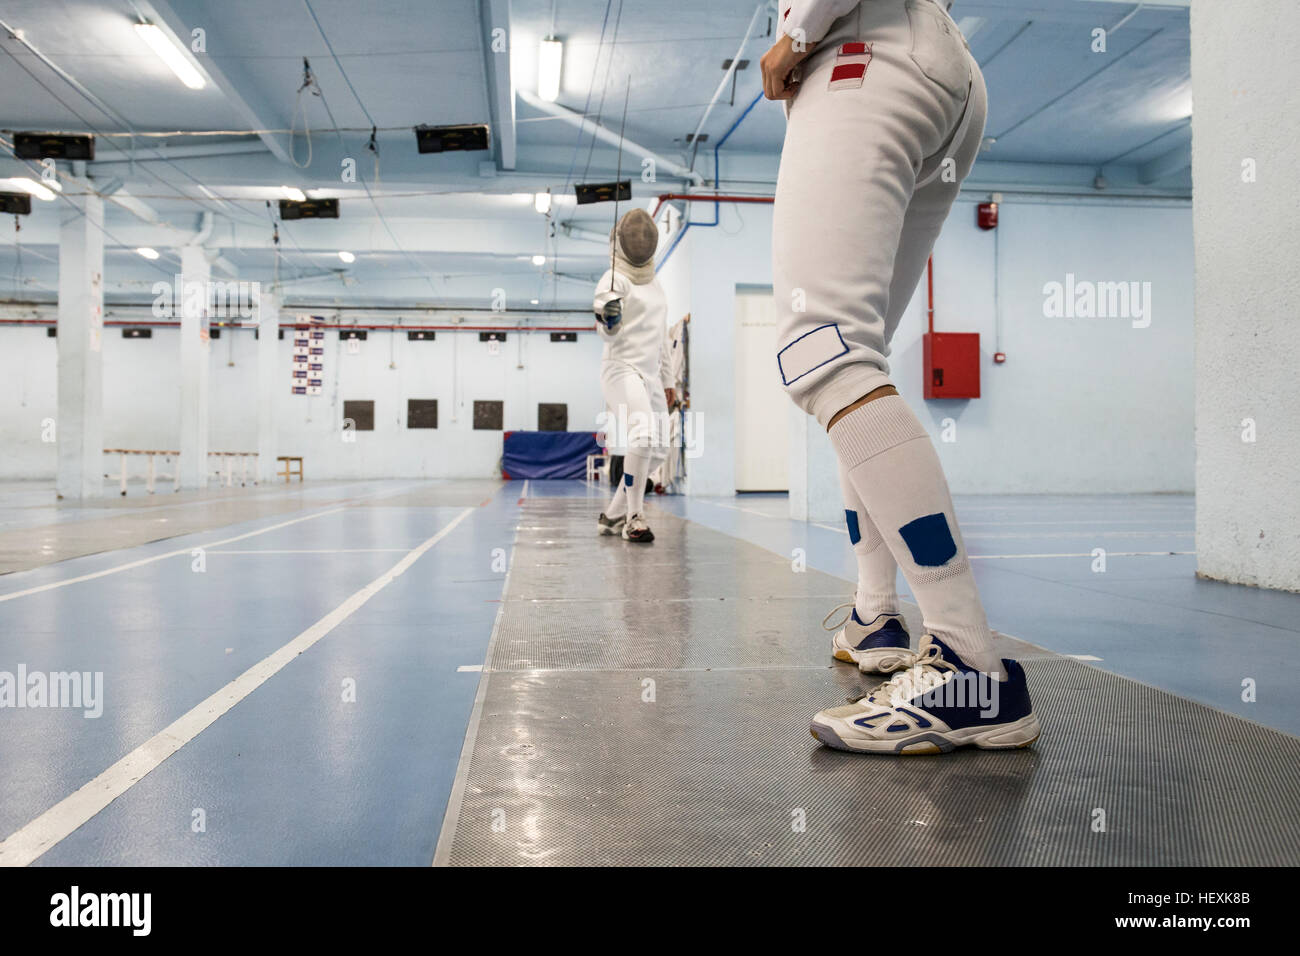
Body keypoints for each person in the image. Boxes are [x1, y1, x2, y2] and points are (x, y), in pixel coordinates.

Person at [761, 0, 1039, 753]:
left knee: (823, 352)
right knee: (856, 356)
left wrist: (797, 33)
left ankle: (968, 664)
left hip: (862, 54)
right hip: (943, 78)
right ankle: (874, 612)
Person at [593, 208, 676, 543]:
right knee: (641, 435)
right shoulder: (612, 278)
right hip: (621, 368)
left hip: (650, 374)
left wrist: (667, 381)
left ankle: (612, 515)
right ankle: (634, 518)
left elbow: (661, 338)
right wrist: (609, 321)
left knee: (658, 450)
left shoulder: (655, 284)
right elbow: (607, 332)